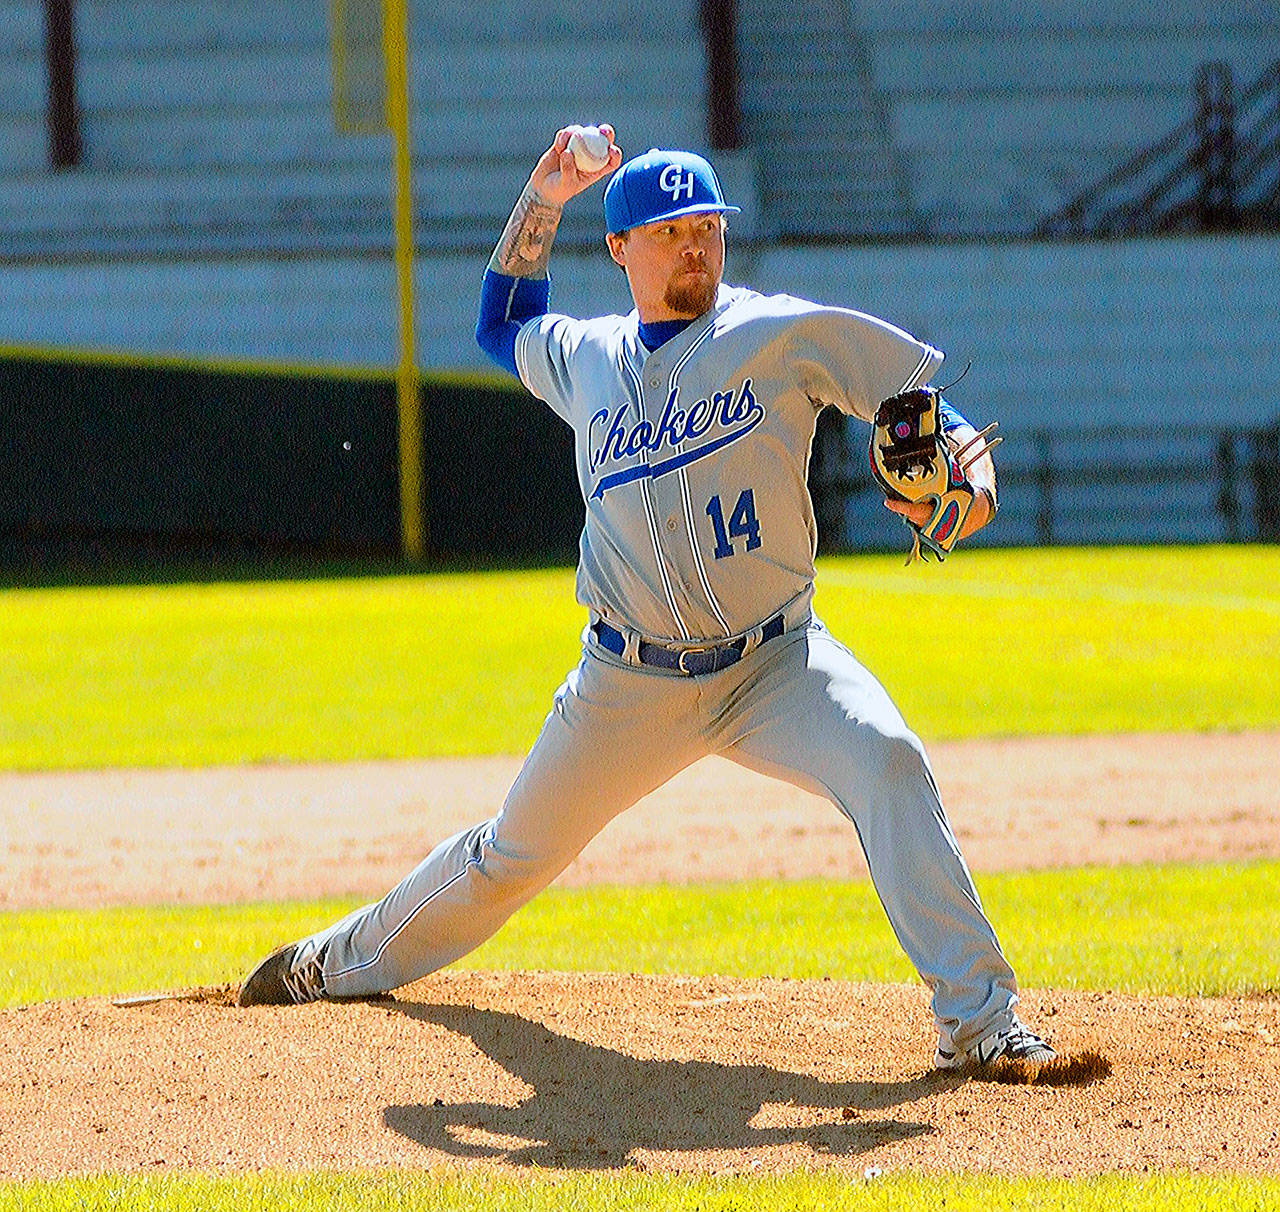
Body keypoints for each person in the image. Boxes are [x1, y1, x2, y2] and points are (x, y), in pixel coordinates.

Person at [238, 126, 1056, 1071]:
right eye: (669, 232)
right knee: (507, 858)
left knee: (889, 761)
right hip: (628, 685)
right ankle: (328, 963)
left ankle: (981, 1021)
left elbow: (919, 406)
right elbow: (501, 322)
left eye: (707, 226)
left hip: (777, 662)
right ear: (621, 246)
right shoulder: (586, 356)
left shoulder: (777, 334)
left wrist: (970, 472)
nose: (694, 245)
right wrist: (544, 197)